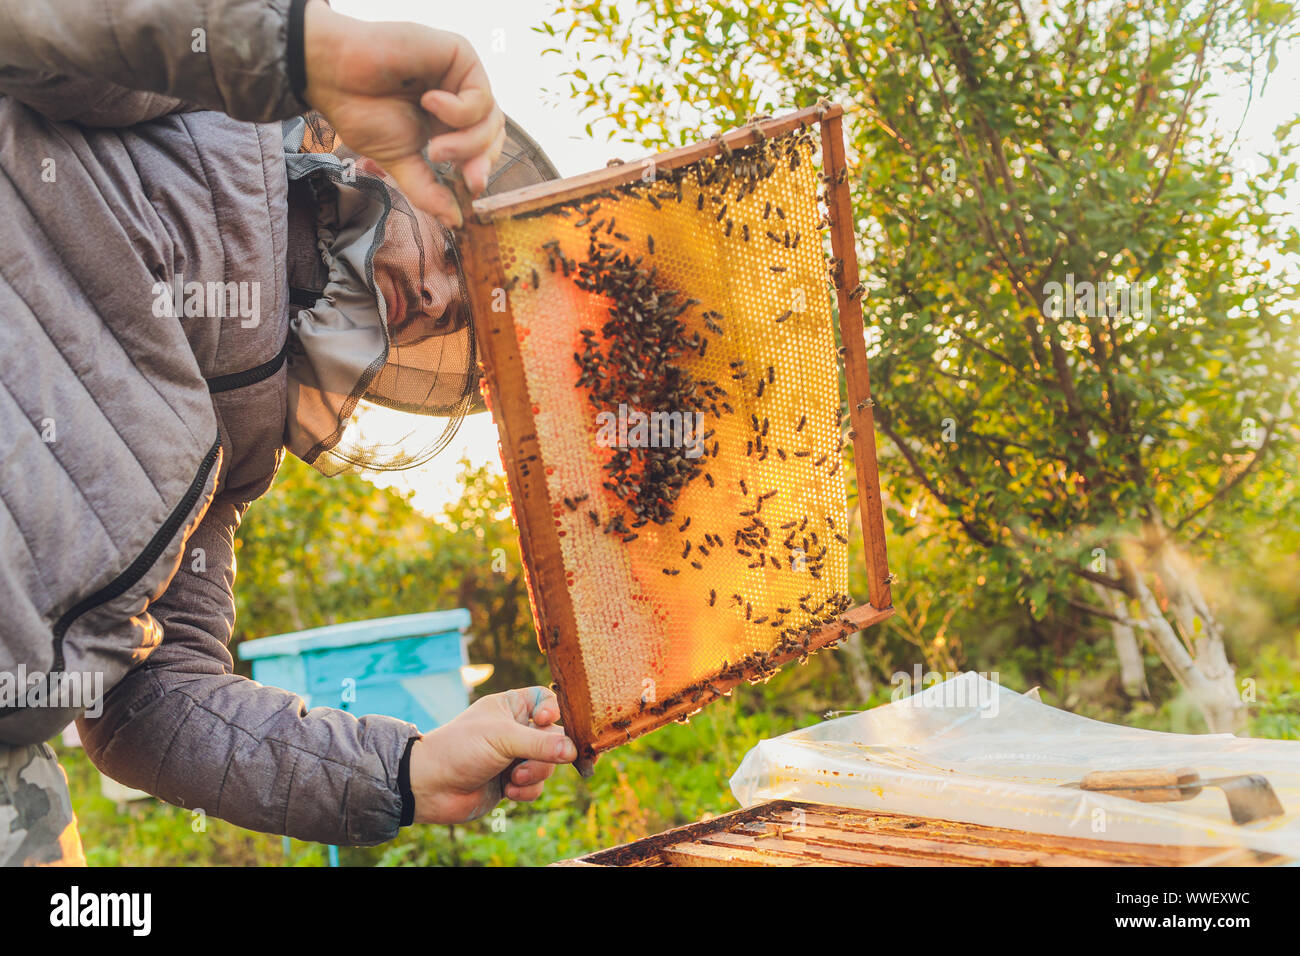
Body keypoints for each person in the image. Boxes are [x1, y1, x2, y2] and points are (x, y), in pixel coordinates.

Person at [0, 0, 575, 866]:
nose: (442, 304)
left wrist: (407, 768)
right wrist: (297, 49)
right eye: (461, 256)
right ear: (361, 144)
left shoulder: (231, 459)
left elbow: (151, 705)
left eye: (464, 320)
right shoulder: (194, 106)